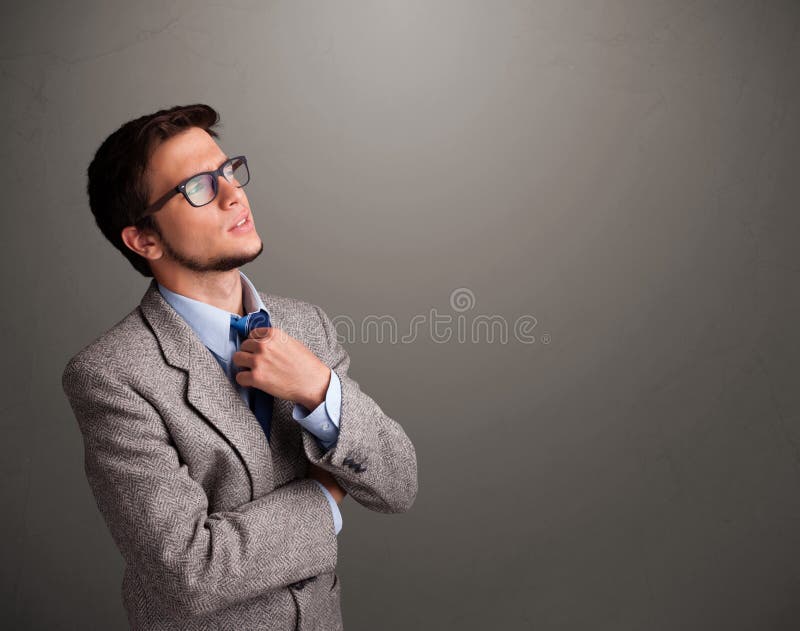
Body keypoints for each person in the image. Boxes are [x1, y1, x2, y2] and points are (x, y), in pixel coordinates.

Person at [61, 103, 418, 630]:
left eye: (228, 170)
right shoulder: (111, 375)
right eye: (199, 187)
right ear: (144, 239)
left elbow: (398, 484)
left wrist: (320, 389)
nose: (234, 193)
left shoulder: (306, 325)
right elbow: (189, 574)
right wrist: (324, 495)